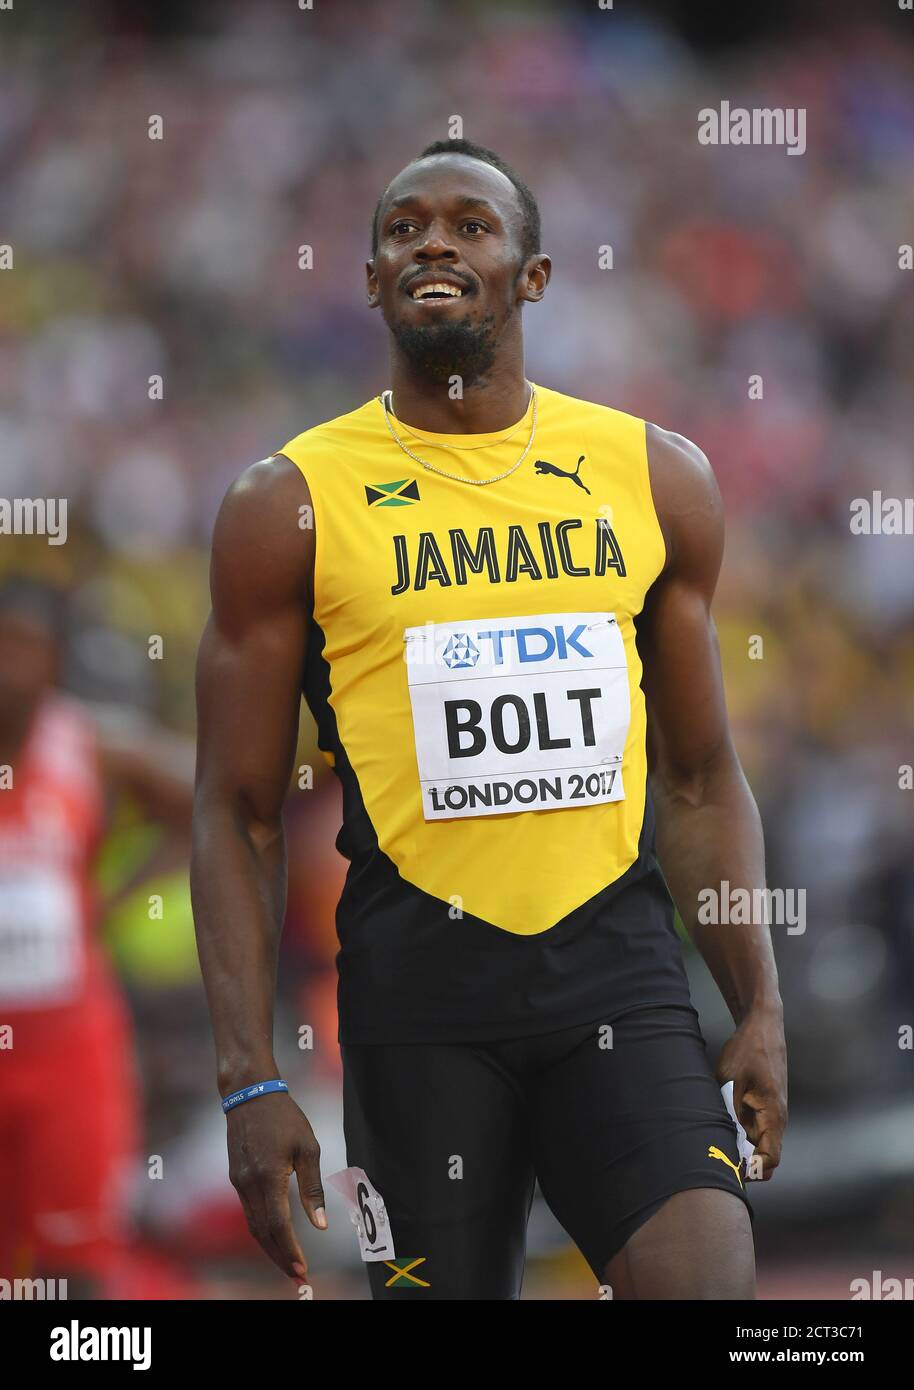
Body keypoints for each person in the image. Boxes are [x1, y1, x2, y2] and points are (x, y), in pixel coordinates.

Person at [191, 139, 787, 1300]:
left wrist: (758, 1006)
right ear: (369, 279)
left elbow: (703, 779)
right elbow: (237, 809)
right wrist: (249, 1079)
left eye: (470, 225)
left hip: (615, 982)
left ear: (532, 274)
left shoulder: (651, 477)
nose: (434, 244)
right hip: (418, 1010)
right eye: (405, 228)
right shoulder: (288, 504)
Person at [0, 576, 193, 1297]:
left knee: (75, 1268)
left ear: (55, 660)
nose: (10, 667)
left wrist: (114, 898)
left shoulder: (85, 744)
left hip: (69, 1052)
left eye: (27, 649)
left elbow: (205, 798)